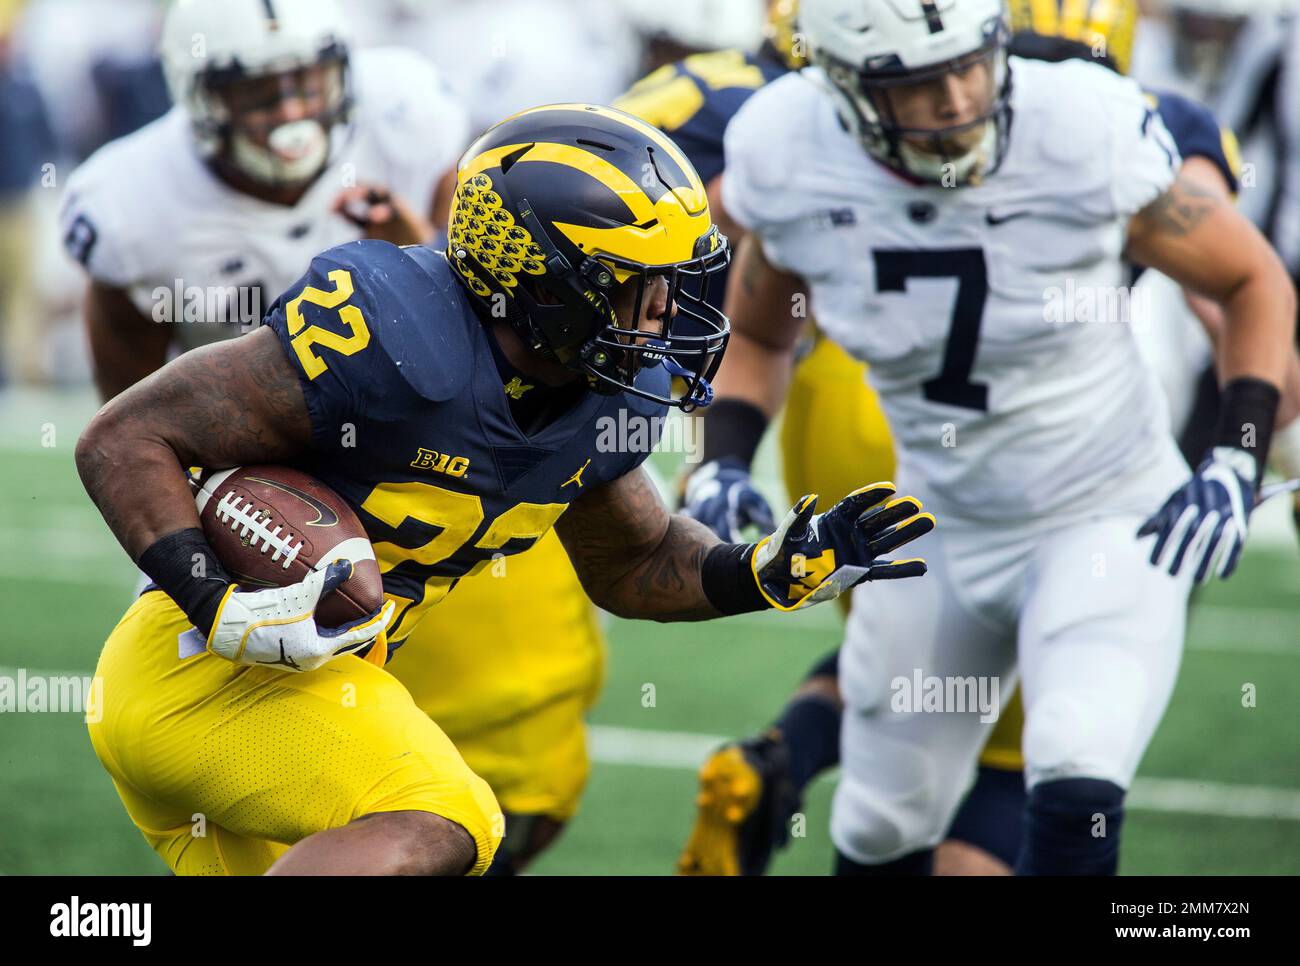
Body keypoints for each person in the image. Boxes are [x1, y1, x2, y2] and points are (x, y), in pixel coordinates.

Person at [74, 102, 936, 875]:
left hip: (294, 695)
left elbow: (636, 560)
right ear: (551, 283)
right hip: (205, 674)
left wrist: (763, 573)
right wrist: (214, 598)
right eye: (643, 287)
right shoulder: (390, 337)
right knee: (449, 817)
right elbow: (125, 435)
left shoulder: (584, 395)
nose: (670, 313)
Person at [701, 0, 1294, 875]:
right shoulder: (790, 153)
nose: (955, 99)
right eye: (918, 82)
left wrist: (1235, 453)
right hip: (933, 523)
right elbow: (756, 333)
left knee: (1074, 769)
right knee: (877, 827)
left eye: (969, 65)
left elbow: (1251, 278)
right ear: (844, 90)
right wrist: (720, 460)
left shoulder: (1081, 124)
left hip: (1105, 510)